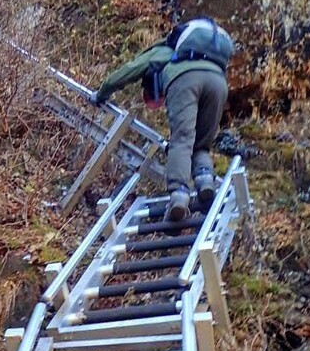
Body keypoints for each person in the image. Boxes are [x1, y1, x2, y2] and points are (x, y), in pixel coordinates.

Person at [92, 16, 233, 222]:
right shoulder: (206, 56)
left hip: (186, 80)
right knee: (202, 145)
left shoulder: (165, 52)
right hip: (218, 83)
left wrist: (101, 93)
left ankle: (179, 196)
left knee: (182, 139)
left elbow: (128, 71)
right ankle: (205, 182)